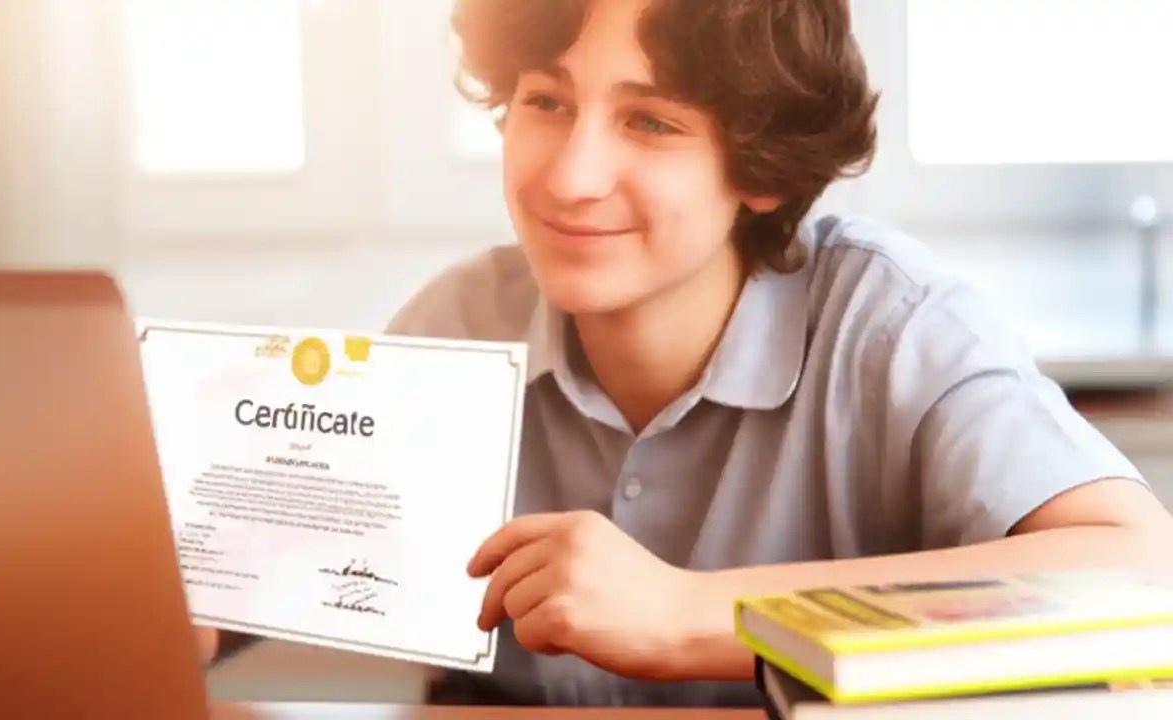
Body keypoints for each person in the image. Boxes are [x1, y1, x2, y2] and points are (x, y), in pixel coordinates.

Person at [198, 0, 1173, 707]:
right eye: (544, 102)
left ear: (757, 165)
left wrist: (691, 615)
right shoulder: (457, 320)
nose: (572, 178)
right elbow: (251, 579)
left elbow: (1142, 576)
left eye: (649, 121)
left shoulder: (891, 325)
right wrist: (186, 599)